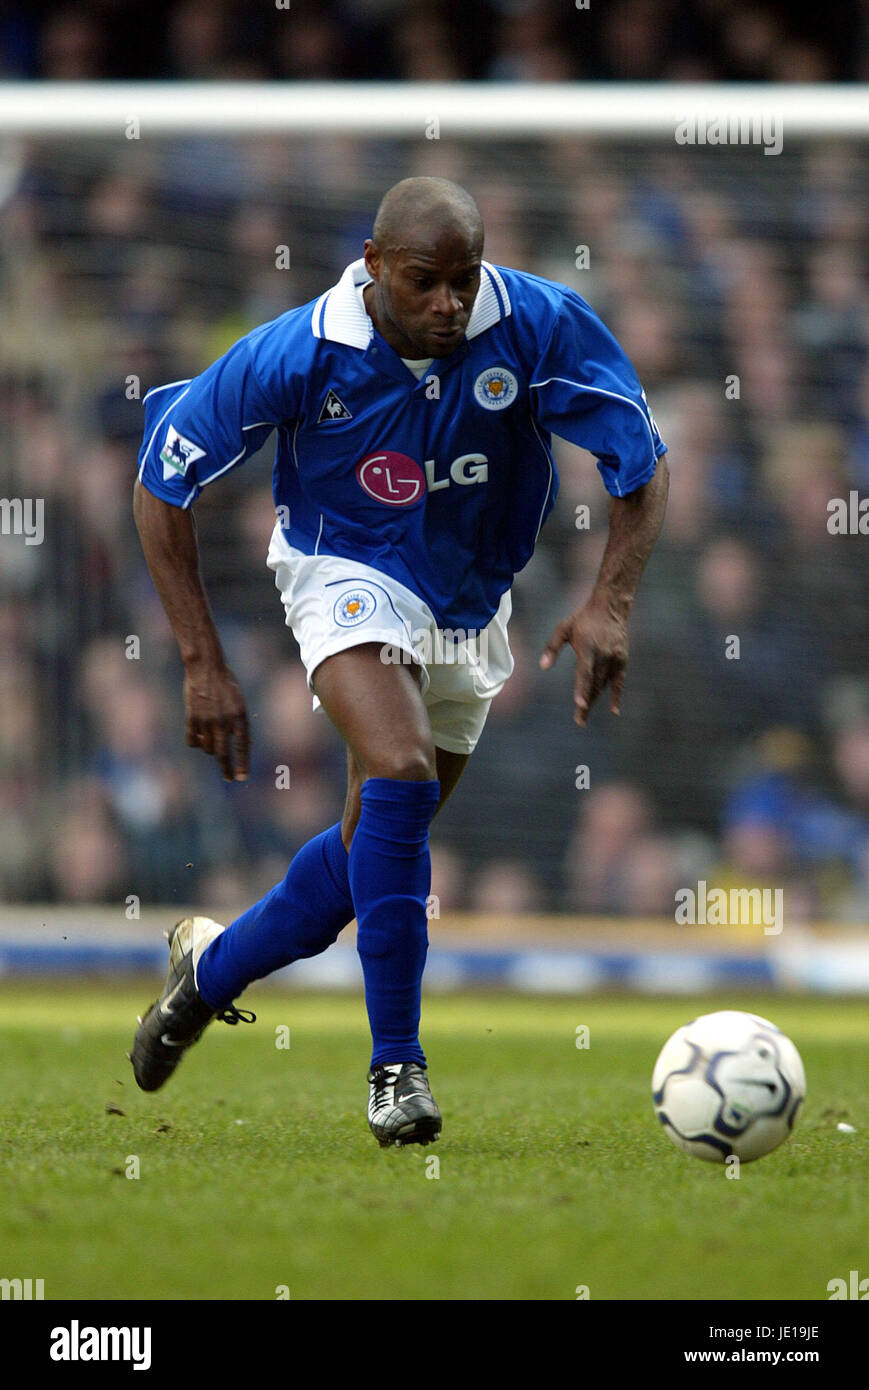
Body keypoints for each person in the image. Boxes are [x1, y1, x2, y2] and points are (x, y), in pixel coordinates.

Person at [129, 176, 669, 1147]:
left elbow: (639, 458)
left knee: (361, 859)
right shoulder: (296, 350)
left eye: (463, 281)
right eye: (424, 281)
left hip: (470, 603)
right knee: (401, 767)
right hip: (341, 568)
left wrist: (609, 602)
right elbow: (160, 479)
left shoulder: (537, 325)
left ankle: (204, 974)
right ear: (374, 267)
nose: (448, 304)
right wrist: (200, 660)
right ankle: (395, 1069)